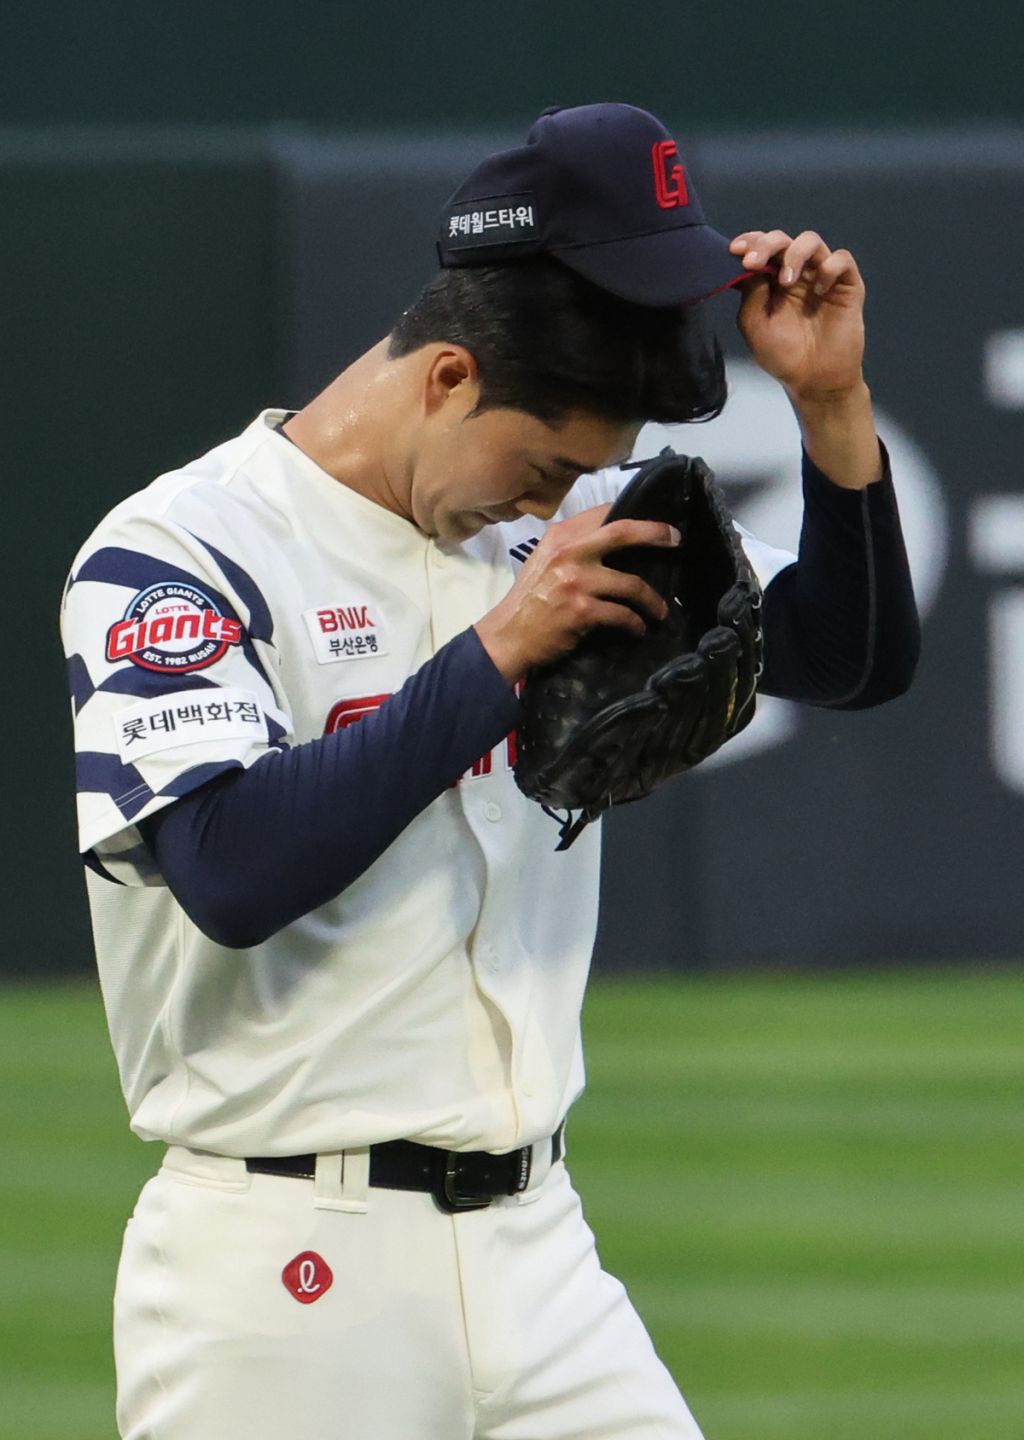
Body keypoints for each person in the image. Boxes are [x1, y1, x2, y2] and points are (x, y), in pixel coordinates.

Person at [61, 103, 919, 1440]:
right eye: (542, 467)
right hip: (288, 1272)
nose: (549, 503)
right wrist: (495, 656)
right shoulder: (182, 550)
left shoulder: (547, 540)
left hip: (542, 1260)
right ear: (449, 377)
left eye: (576, 478)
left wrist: (829, 404)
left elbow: (847, 657)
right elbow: (225, 871)